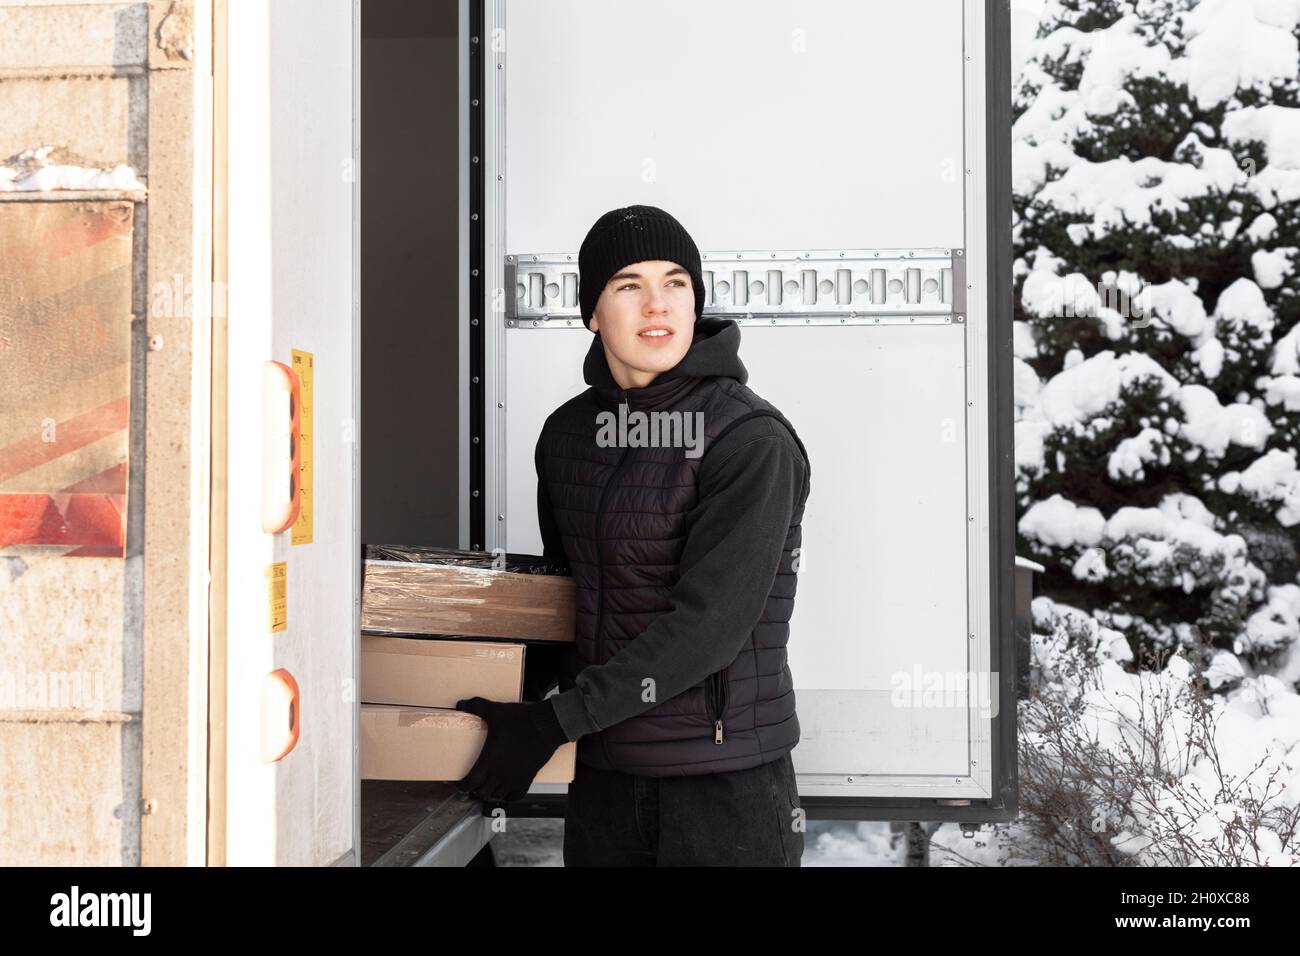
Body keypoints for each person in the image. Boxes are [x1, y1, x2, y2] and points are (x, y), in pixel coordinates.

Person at [457, 204, 811, 866]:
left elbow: (707, 629)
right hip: (607, 778)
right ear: (592, 310)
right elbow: (569, 602)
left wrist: (552, 723)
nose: (659, 305)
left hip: (722, 789)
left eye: (676, 282)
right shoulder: (567, 436)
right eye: (629, 285)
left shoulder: (747, 439)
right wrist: (496, 711)